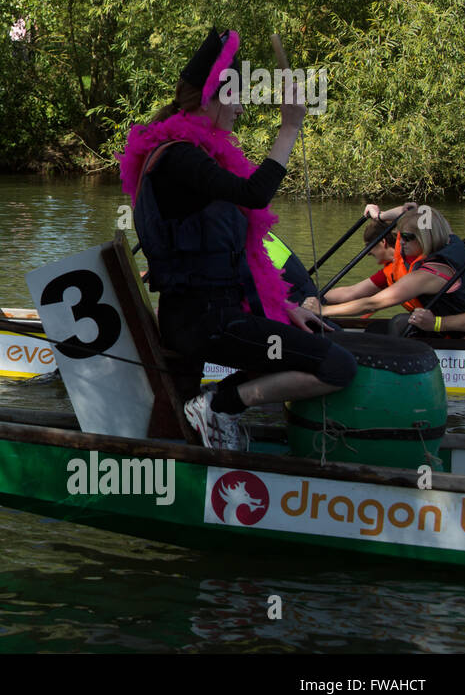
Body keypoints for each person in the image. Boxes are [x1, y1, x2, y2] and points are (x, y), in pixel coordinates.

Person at [119, 28, 356, 451]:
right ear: (211, 96)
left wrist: (281, 308)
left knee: (322, 339)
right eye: (235, 96)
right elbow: (254, 193)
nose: (241, 107)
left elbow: (229, 255)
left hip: (218, 315)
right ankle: (219, 405)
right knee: (337, 366)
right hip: (200, 322)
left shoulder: (197, 158)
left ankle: (220, 407)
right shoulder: (177, 158)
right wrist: (289, 128)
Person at [304, 208, 465, 328]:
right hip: (451, 322)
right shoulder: (449, 239)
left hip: (463, 335)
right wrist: (379, 216)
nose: (400, 241)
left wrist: (323, 310)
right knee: (396, 323)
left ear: (425, 237)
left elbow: (373, 303)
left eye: (407, 237)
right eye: (400, 235)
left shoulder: (427, 275)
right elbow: (411, 211)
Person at [304, 204, 420, 314]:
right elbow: (351, 293)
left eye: (368, 246)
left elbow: (413, 212)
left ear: (383, 242)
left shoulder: (412, 252)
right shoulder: (389, 272)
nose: (368, 253)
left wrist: (378, 216)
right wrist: (308, 297)